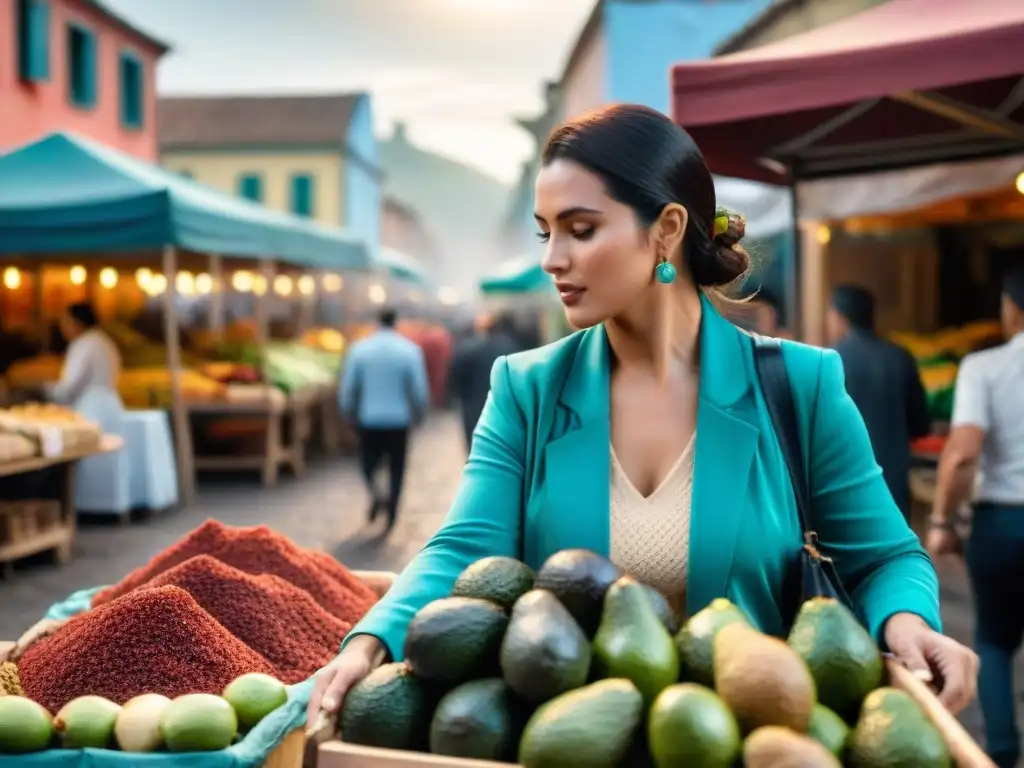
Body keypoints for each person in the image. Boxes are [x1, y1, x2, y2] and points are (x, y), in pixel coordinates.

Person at [309, 104, 976, 726]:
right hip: (568, 744)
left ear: (667, 230)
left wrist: (909, 624)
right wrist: (372, 639)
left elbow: (885, 557)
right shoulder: (525, 389)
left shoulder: (801, 384)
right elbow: (460, 549)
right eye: (546, 232)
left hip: (750, 742)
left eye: (581, 229)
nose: (552, 259)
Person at [928, 267, 1024, 768]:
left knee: (994, 641)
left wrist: (941, 521)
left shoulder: (985, 367)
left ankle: (1002, 754)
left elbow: (963, 454)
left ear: (1011, 310)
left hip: (1001, 524)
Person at [825, 285, 932, 520]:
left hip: (843, 485)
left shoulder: (828, 361)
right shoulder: (900, 357)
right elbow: (921, 425)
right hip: (893, 485)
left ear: (840, 318)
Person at [339, 307, 429, 533]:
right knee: (397, 467)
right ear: (395, 322)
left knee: (368, 463)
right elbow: (419, 389)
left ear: (377, 322)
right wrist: (420, 414)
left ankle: (376, 492)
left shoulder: (360, 349)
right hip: (399, 420)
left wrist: (348, 412)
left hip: (368, 419)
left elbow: (348, 388)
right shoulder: (409, 350)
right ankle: (392, 511)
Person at [449, 312, 521, 452]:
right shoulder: (512, 348)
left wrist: (460, 396)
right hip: (504, 409)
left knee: (476, 448)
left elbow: (456, 378)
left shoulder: (470, 349)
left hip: (474, 408)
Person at [46, 302, 121, 406]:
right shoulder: (103, 341)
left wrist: (44, 392)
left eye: (66, 321)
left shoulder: (83, 344)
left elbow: (68, 388)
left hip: (86, 408)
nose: (62, 327)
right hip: (103, 405)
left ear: (77, 323)